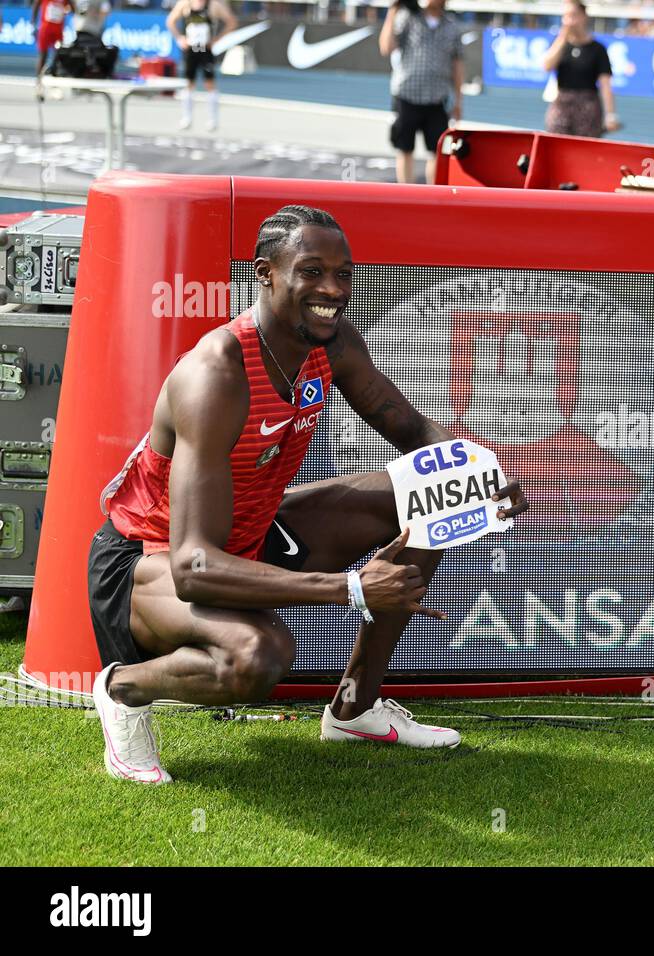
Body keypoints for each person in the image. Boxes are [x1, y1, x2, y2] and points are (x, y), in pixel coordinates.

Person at [88, 205, 529, 784]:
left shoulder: (332, 343)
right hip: (151, 564)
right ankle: (123, 690)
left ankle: (354, 709)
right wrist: (350, 587)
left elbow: (415, 434)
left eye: (343, 274)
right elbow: (194, 566)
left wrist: (480, 471)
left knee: (444, 489)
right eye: (312, 271)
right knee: (260, 657)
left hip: (252, 537)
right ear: (266, 273)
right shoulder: (216, 374)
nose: (331, 289)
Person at [379, 0, 465, 185]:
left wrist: (458, 101)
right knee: (404, 148)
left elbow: (457, 65)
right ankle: (405, 195)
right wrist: (393, 10)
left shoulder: (452, 26)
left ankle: (432, 197)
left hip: (437, 99)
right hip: (407, 95)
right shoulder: (408, 18)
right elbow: (386, 48)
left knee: (437, 151)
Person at [542, 1, 621, 138]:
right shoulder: (559, 44)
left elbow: (605, 84)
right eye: (565, 16)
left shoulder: (597, 49)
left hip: (588, 106)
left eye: (573, 15)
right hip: (562, 103)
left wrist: (610, 115)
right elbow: (547, 66)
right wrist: (562, 38)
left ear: (584, 16)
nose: (569, 21)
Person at [166, 0, 236, 132]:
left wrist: (217, 39)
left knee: (209, 83)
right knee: (188, 83)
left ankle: (213, 120)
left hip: (206, 50)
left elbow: (231, 22)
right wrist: (179, 38)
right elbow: (170, 21)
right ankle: (187, 118)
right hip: (190, 50)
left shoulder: (214, 5)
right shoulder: (185, 4)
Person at [32, 0, 73, 81]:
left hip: (58, 31)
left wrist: (67, 9)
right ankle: (39, 81)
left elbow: (72, 9)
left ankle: (55, 79)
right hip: (45, 29)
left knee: (58, 55)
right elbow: (36, 4)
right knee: (43, 55)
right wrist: (33, 22)